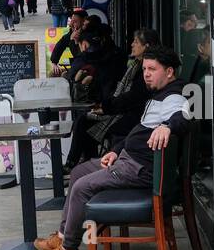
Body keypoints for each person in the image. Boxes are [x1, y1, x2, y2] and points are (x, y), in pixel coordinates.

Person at [29, 46, 190, 250]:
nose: (146, 73)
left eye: (152, 69)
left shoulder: (174, 96)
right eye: (144, 68)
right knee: (78, 172)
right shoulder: (158, 95)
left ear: (170, 72)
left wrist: (168, 127)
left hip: (138, 169)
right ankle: (63, 235)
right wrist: (115, 150)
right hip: (127, 159)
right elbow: (140, 130)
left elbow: (183, 117)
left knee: (82, 187)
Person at [66, 27, 161, 168]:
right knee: (84, 120)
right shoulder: (134, 65)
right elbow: (121, 91)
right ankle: (81, 163)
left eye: (136, 42)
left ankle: (83, 164)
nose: (132, 44)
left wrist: (106, 107)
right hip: (121, 108)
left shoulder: (146, 69)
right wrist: (105, 105)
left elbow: (132, 97)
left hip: (133, 114)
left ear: (147, 46)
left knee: (90, 125)